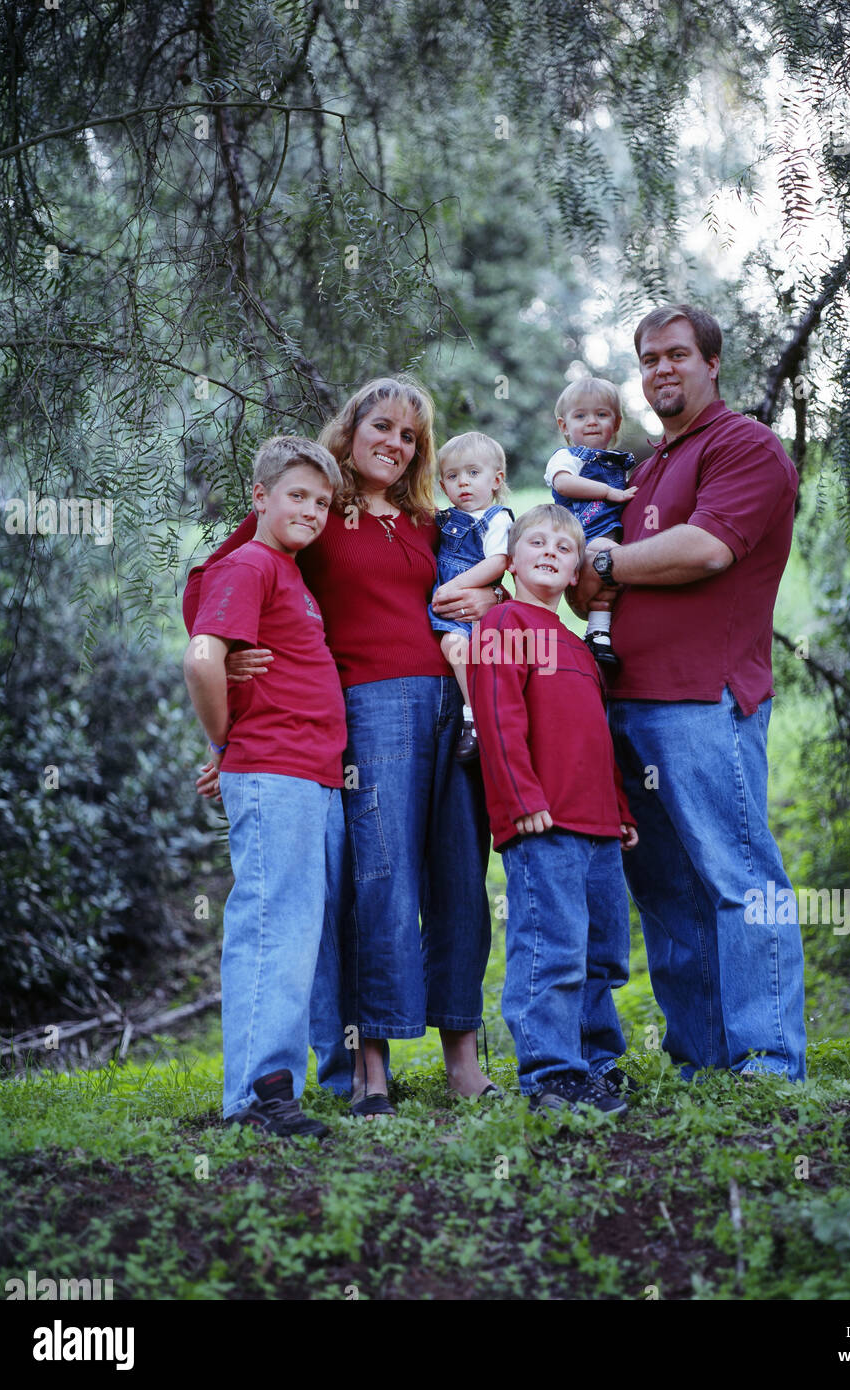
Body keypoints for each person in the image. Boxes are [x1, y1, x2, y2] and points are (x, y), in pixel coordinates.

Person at [183, 378, 497, 1117]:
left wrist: (488, 598)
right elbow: (212, 580)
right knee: (379, 884)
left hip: (453, 703)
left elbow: (493, 580)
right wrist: (227, 660)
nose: (395, 443)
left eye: (410, 436)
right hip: (366, 713)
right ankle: (369, 1068)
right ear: (349, 431)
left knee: (459, 880)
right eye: (381, 427)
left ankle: (462, 1061)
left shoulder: (432, 521)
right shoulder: (317, 509)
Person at [571, 304, 808, 1082]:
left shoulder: (746, 447)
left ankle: (769, 1060)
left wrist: (603, 561)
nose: (661, 370)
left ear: (712, 364)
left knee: (739, 879)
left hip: (706, 702)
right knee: (667, 892)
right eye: (648, 359)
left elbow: (705, 550)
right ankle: (702, 1059)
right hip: (629, 704)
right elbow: (588, 590)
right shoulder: (640, 473)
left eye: (677, 354)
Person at [183, 436, 346, 1136]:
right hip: (275, 770)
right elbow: (200, 659)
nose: (311, 511)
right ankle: (257, 1097)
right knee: (272, 926)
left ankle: (271, 1089)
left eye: (321, 502)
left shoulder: (286, 571)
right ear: (260, 498)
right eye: (297, 496)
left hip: (302, 772)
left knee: (293, 928)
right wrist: (227, 745)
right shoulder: (251, 562)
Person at [469, 504, 639, 1115]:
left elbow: (596, 736)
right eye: (534, 543)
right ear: (509, 563)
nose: (548, 552)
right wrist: (519, 800)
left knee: (602, 952)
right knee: (552, 945)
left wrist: (620, 809)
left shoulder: (579, 645)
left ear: (575, 574)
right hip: (543, 822)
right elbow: (496, 717)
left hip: (597, 826)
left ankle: (595, 1062)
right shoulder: (501, 625)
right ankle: (550, 1071)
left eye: (563, 549)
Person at [427, 431, 513, 763]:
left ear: (496, 479)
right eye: (453, 476)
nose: (463, 482)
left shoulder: (497, 519)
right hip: (447, 609)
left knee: (474, 654)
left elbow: (498, 562)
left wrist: (456, 587)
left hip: (467, 604)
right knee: (454, 647)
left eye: (473, 473)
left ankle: (475, 717)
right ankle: (476, 713)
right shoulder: (443, 518)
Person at [545, 377, 637, 666]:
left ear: (617, 423)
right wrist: (609, 491)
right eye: (581, 416)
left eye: (601, 414)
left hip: (607, 535)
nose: (592, 422)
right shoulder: (568, 457)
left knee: (606, 587)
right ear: (564, 426)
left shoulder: (618, 462)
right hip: (582, 533)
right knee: (610, 562)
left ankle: (598, 635)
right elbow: (563, 484)